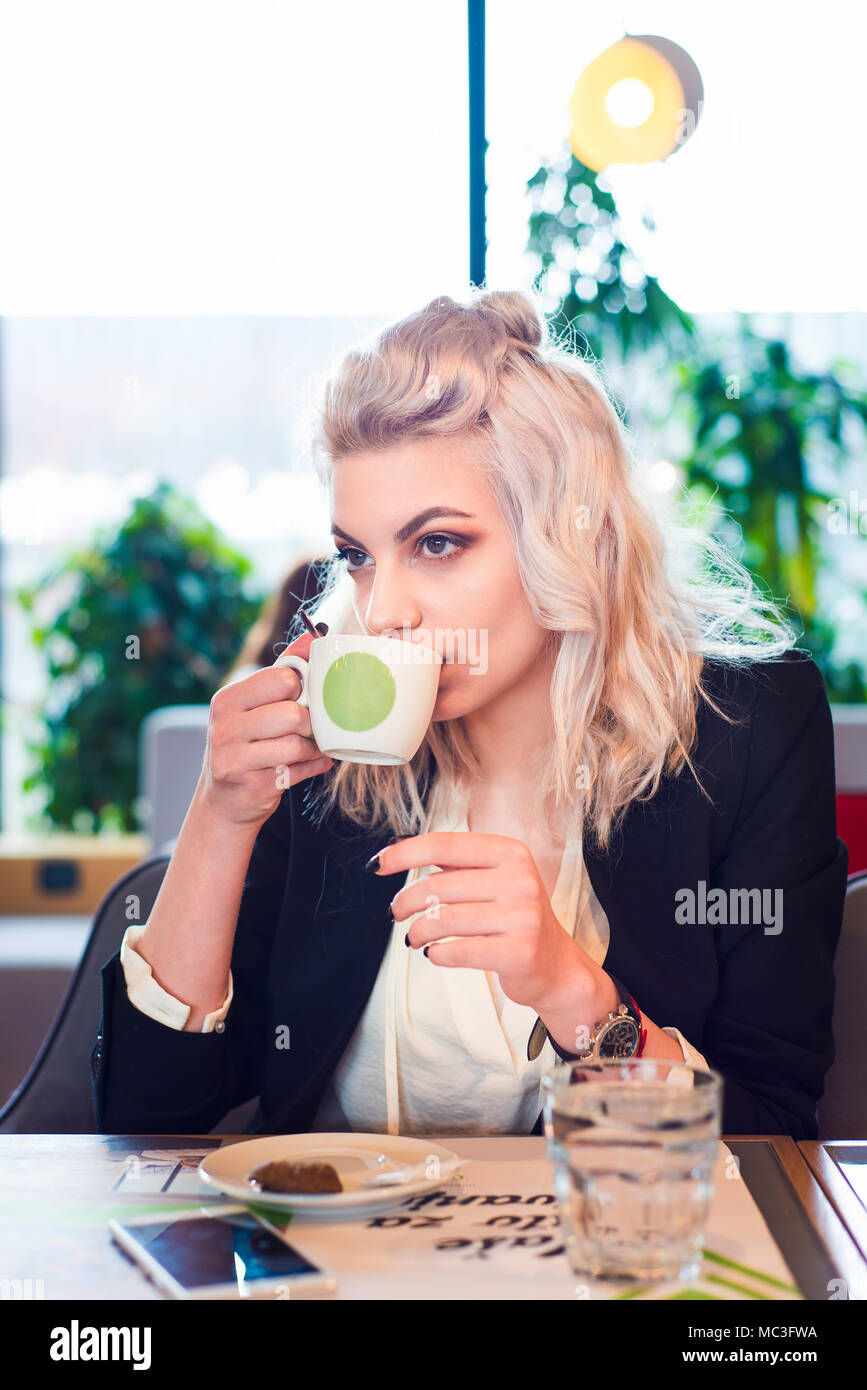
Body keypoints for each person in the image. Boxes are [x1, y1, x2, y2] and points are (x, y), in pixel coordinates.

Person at [92, 289, 848, 1141]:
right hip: (332, 1266)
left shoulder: (744, 728)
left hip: (599, 1267)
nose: (382, 615)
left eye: (438, 544)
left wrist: (576, 993)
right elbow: (148, 1117)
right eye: (358, 558)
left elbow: (770, 1132)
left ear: (569, 535)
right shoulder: (329, 737)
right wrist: (220, 815)